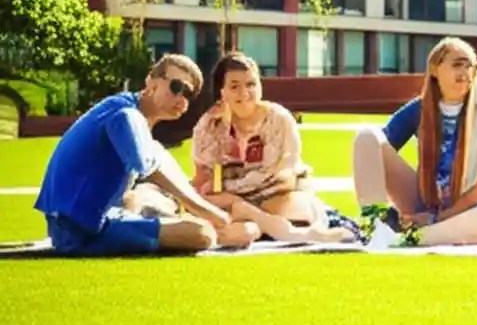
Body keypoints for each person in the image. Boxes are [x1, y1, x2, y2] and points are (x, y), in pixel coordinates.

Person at [33, 55, 244, 255]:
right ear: (151, 82)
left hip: (71, 222)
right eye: (176, 87)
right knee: (202, 234)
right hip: (84, 231)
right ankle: (199, 227)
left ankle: (166, 220)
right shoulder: (127, 116)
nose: (181, 99)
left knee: (139, 196)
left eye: (188, 94)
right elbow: (149, 168)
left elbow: (159, 161)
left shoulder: (124, 110)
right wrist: (207, 211)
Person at [351, 37, 477, 246]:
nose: (465, 73)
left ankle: (413, 239)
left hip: (470, 208)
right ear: (435, 69)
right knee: (367, 136)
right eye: (457, 64)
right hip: (424, 201)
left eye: (470, 66)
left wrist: (437, 218)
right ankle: (376, 225)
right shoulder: (420, 108)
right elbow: (380, 148)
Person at [191, 52, 359, 244]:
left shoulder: (278, 119)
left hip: (278, 193)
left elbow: (282, 173)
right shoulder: (208, 126)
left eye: (251, 84)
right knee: (224, 222)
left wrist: (238, 201)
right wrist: (226, 198)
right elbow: (204, 180)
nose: (244, 93)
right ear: (222, 92)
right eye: (235, 86)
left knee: (295, 211)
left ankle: (257, 220)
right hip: (227, 201)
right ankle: (273, 229)